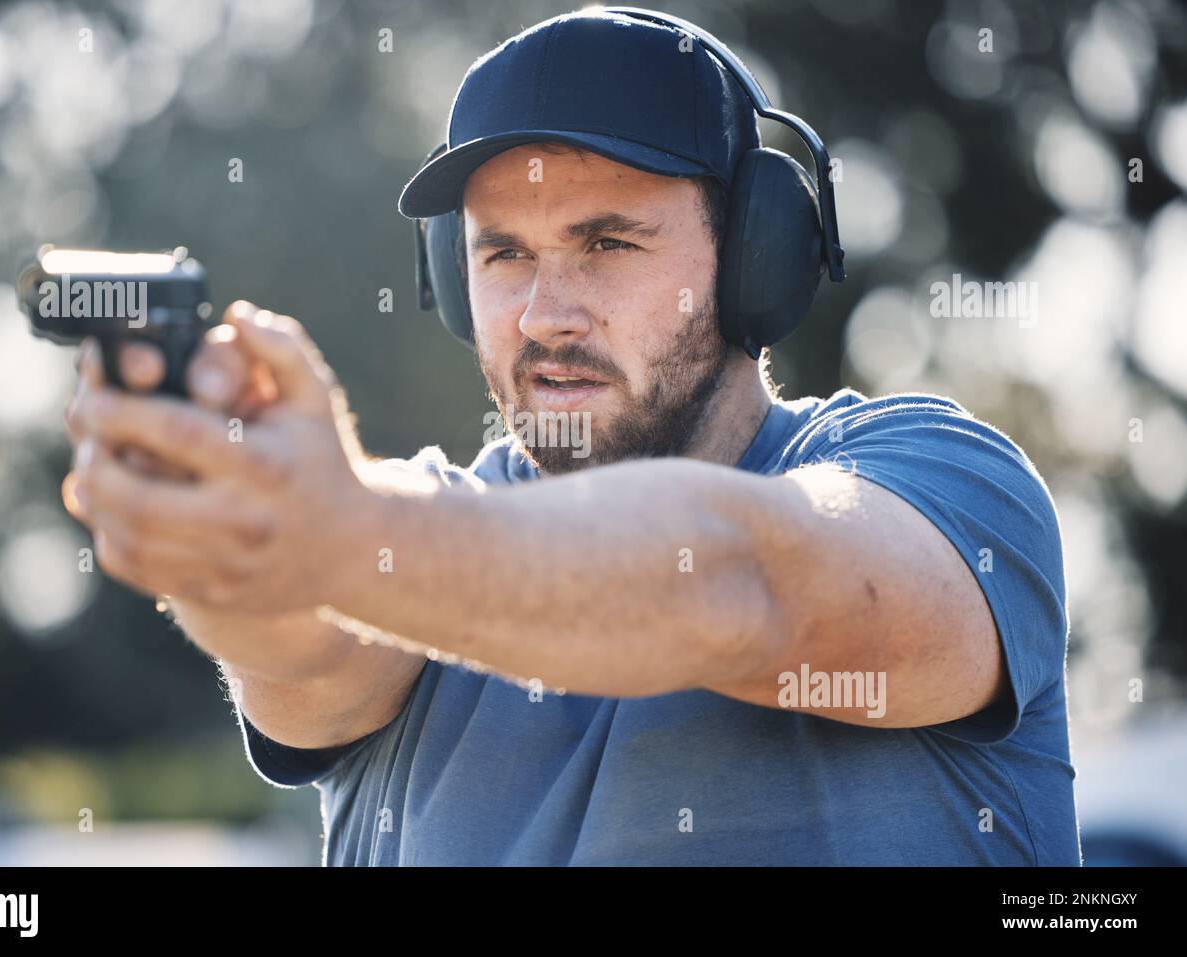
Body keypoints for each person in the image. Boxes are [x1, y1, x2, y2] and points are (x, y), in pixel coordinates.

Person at [63, 9, 1080, 865]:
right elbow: (302, 651)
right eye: (502, 254)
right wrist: (227, 535)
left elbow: (753, 587)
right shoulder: (404, 554)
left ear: (755, 258)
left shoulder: (948, 485)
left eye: (607, 243)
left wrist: (331, 531)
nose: (547, 313)